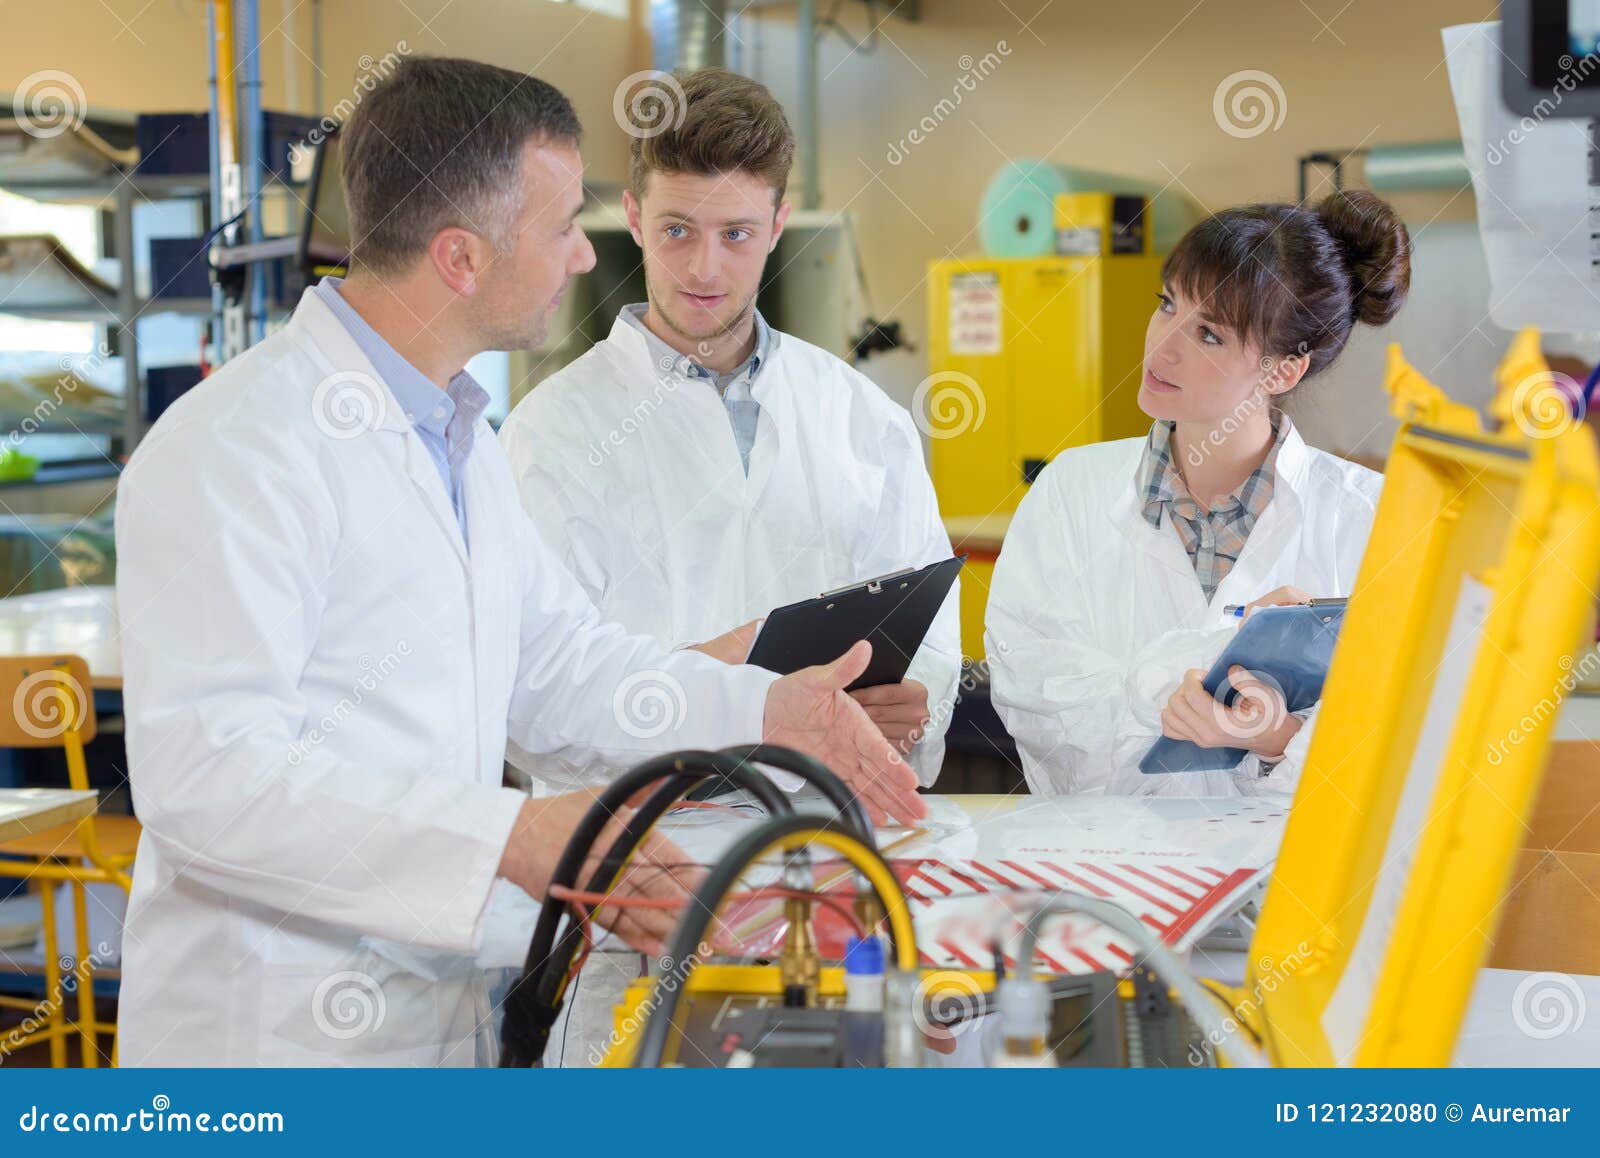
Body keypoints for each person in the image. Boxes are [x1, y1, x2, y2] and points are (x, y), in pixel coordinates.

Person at [113, 56, 921, 1067]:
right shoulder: (238, 447)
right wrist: (508, 836)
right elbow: (210, 780)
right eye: (558, 229)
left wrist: (764, 707)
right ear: (460, 258)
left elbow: (558, 663)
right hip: (271, 1040)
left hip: (433, 1011)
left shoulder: (458, 440)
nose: (584, 259)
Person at [499, 68, 960, 792]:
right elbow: (533, 698)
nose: (704, 268)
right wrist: (724, 704)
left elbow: (926, 633)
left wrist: (917, 705)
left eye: (736, 233)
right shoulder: (550, 434)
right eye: (676, 230)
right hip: (638, 836)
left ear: (777, 227)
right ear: (632, 216)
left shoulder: (859, 417)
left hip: (828, 825)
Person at [986, 189, 1412, 797]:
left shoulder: (1370, 519)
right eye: (1167, 305)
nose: (1162, 346)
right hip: (1104, 874)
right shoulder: (1069, 493)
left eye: (1209, 334)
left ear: (1283, 369)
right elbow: (1034, 697)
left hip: (1286, 884)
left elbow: (1396, 748)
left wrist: (1273, 736)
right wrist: (1203, 667)